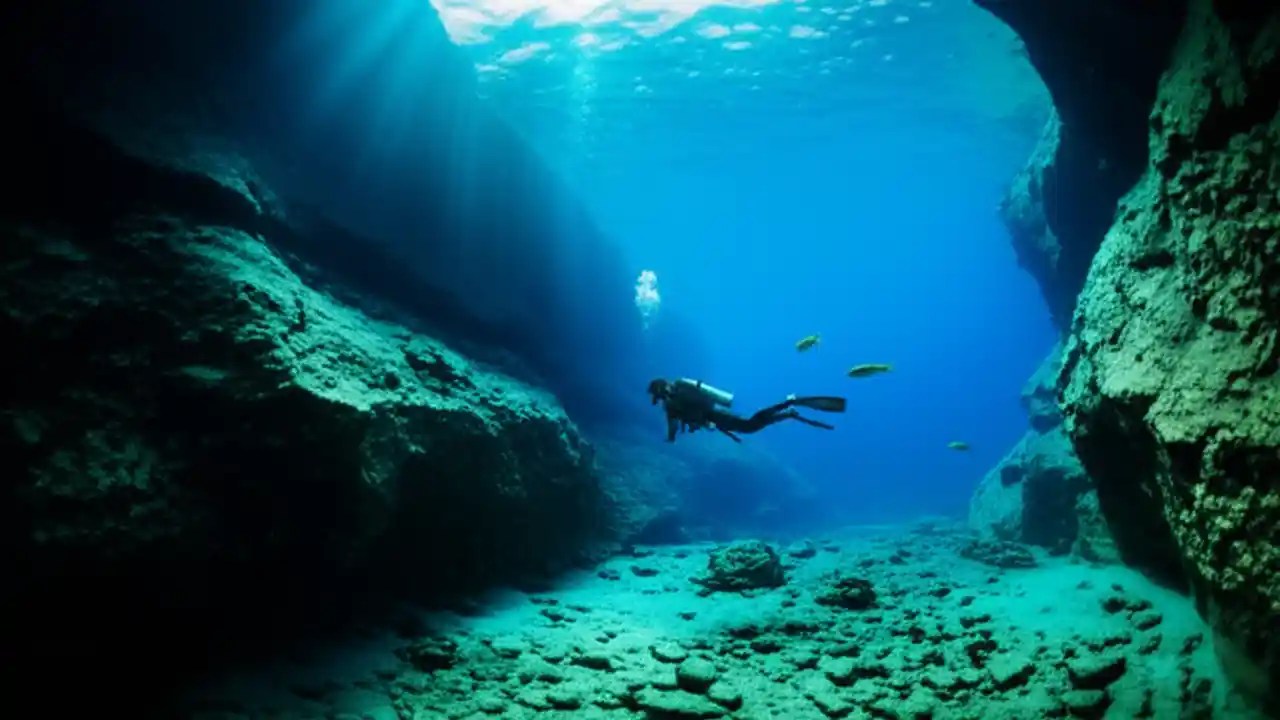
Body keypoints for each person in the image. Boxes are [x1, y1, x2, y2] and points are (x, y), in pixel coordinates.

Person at [647, 377, 847, 443]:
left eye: (660, 391)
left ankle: (787, 404)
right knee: (750, 426)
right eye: (659, 395)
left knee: (749, 424)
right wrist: (670, 437)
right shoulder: (670, 406)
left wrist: (670, 437)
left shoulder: (680, 390)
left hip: (717, 414)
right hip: (715, 420)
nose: (662, 396)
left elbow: (674, 424)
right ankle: (786, 412)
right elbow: (672, 425)